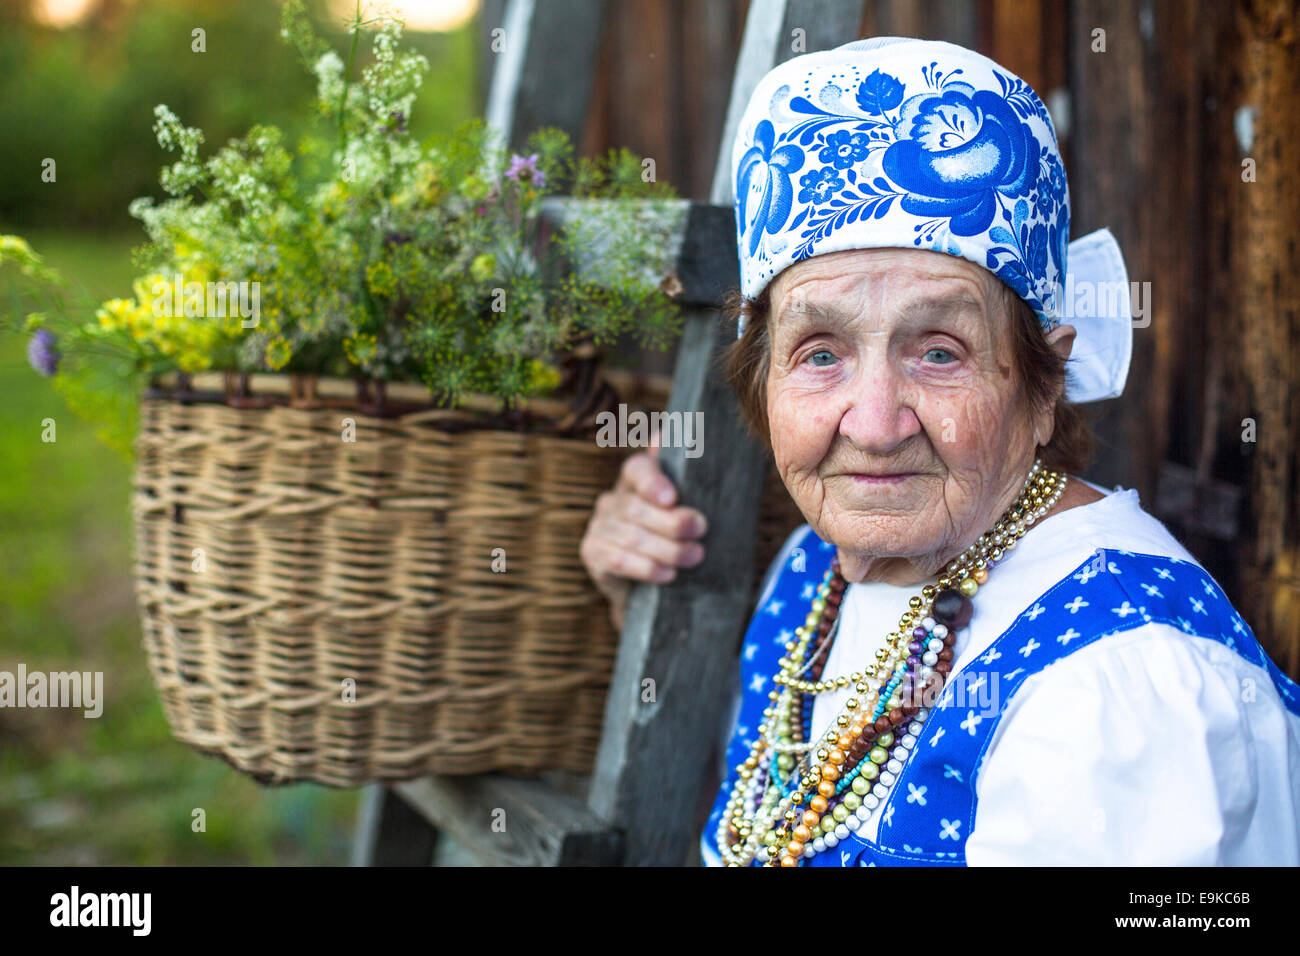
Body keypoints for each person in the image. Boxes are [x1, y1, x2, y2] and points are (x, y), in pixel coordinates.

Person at [580, 36, 1300, 866]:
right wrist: (637, 604)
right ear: (762, 379)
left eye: (938, 352)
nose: (877, 424)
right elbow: (764, 824)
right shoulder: (811, 574)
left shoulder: (1121, 685)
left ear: (1043, 383)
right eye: (820, 352)